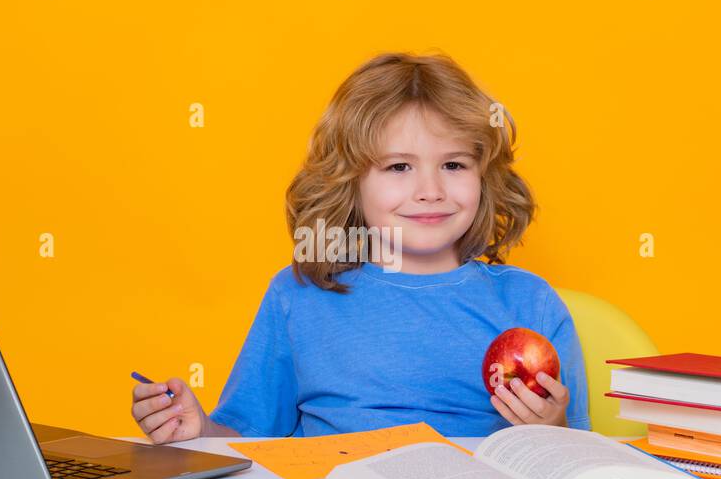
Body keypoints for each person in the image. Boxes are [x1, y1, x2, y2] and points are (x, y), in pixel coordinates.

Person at [133, 52, 589, 441]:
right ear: (351, 183)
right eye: (397, 168)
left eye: (453, 164)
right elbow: (247, 443)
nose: (430, 190)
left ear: (483, 178)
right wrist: (198, 433)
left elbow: (578, 462)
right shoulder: (300, 296)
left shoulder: (532, 305)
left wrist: (552, 426)